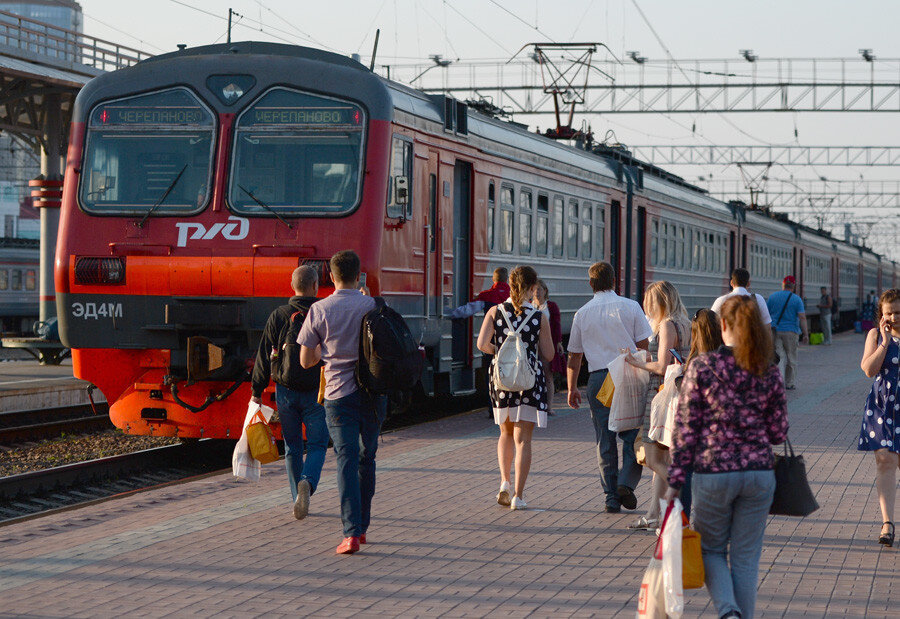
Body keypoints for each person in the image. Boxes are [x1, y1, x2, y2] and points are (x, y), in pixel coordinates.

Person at [666, 296, 788, 619]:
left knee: (711, 550)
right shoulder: (769, 370)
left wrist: (675, 482)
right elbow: (778, 432)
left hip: (713, 473)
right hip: (760, 473)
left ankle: (728, 611)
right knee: (746, 559)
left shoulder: (701, 368)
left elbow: (685, 430)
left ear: (722, 326)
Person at [298, 250, 388, 555]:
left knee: (346, 460)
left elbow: (306, 359)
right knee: (368, 459)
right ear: (358, 274)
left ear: (332, 277)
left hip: (338, 396)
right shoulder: (372, 305)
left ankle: (349, 534)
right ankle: (362, 529)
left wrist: (326, 351)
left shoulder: (320, 309)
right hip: (373, 396)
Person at [567, 262, 652, 513]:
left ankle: (611, 497)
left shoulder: (582, 313)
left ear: (591, 284)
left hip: (599, 379)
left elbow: (574, 356)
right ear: (615, 281)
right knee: (631, 434)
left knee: (604, 437)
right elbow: (644, 345)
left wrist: (572, 387)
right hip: (628, 374)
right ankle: (626, 482)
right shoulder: (631, 306)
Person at [250, 265, 329, 521]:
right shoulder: (322, 313)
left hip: (285, 391)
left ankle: (297, 495)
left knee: (293, 447)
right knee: (317, 444)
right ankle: (308, 481)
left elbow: (264, 356)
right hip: (316, 391)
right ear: (315, 286)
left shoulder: (279, 315)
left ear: (292, 286)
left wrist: (256, 391)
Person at [478, 266, 554, 510]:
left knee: (506, 433)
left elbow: (482, 344)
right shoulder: (539, 316)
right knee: (524, 440)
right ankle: (518, 497)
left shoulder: (495, 311)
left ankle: (504, 483)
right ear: (533, 288)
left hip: (502, 380)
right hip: (529, 382)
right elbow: (550, 354)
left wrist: (501, 353)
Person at [624, 281, 691, 531]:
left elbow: (662, 366)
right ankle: (654, 515)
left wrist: (636, 362)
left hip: (659, 394)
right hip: (677, 394)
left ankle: (683, 485)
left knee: (652, 458)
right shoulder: (686, 323)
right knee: (664, 455)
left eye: (649, 303)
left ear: (659, 302)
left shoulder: (666, 325)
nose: (647, 308)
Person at [858, 288, 900, 548]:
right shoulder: (875, 335)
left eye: (898, 312)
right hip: (883, 408)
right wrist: (885, 341)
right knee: (885, 462)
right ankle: (887, 523)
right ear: (881, 315)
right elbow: (868, 369)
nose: (894, 317)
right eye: (889, 313)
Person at [767, 276, 809, 390]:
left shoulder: (773, 297)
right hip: (791, 332)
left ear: (783, 284)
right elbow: (802, 317)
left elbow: (766, 316)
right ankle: (789, 383)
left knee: (778, 357)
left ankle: (779, 382)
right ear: (794, 286)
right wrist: (805, 334)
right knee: (791, 358)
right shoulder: (797, 299)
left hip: (775, 331)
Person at [533, 279, 564, 407]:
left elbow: (556, 325)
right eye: (534, 289)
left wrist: (559, 342)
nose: (536, 292)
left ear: (545, 291)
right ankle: (535, 404)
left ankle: (549, 405)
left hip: (546, 345)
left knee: (548, 375)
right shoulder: (529, 306)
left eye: (539, 289)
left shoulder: (551, 306)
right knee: (533, 376)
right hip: (533, 346)